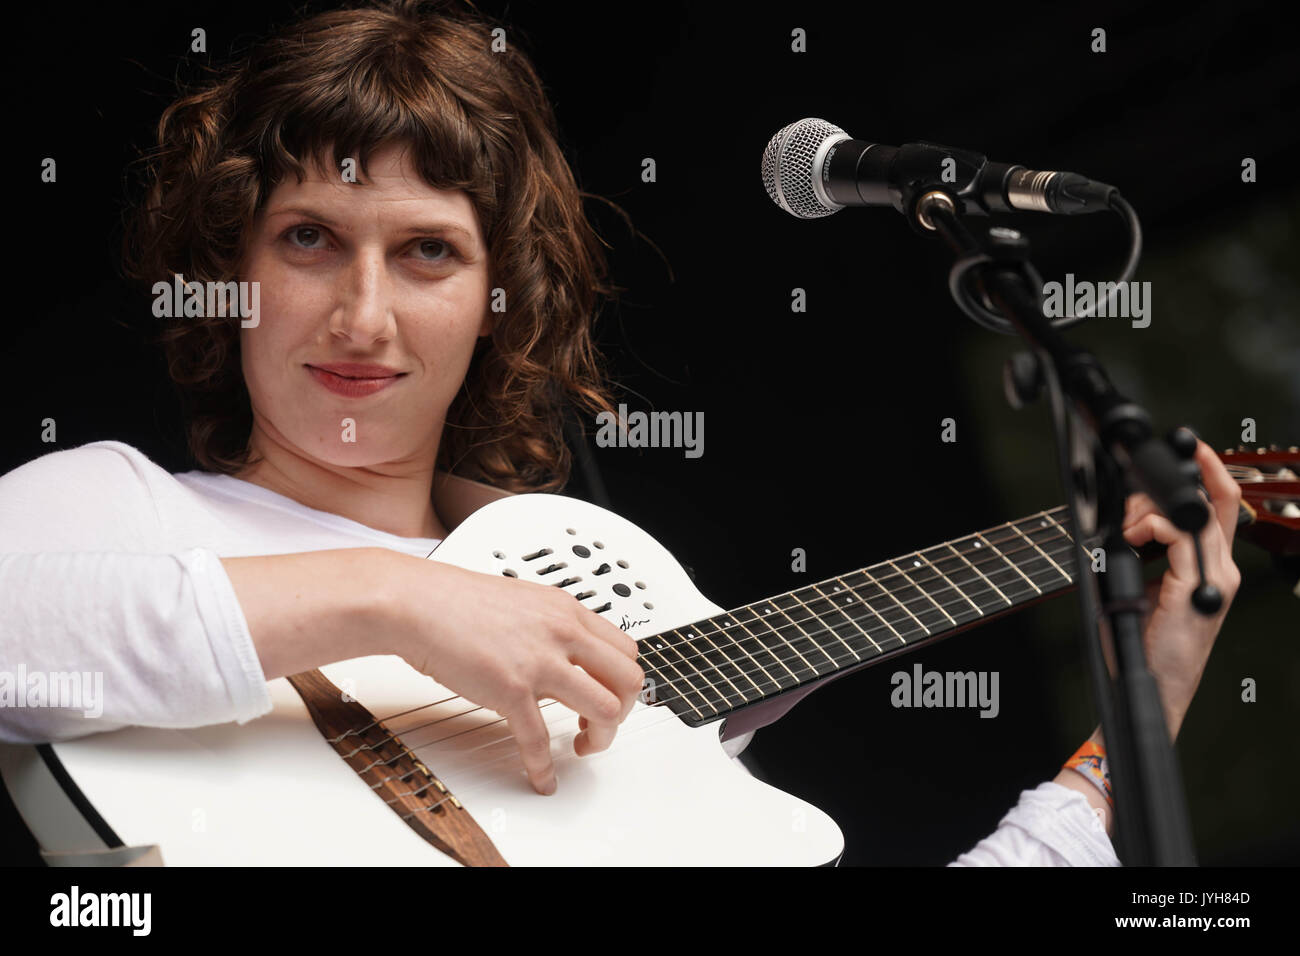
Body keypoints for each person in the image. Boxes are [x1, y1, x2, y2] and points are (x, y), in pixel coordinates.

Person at [0, 0, 1240, 866]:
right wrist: (392, 598)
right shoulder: (118, 508)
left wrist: (1142, 702)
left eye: (428, 251)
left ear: (498, 305)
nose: (362, 313)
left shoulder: (600, 627)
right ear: (232, 270)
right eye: (310, 238)